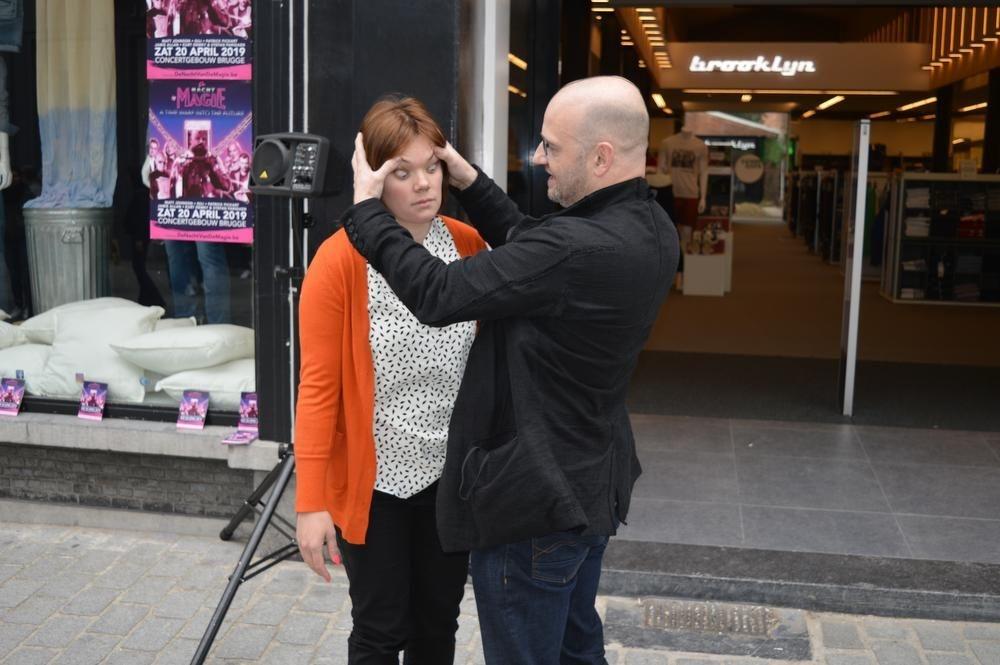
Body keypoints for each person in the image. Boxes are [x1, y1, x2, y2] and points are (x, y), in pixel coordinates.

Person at [343, 76, 679, 664]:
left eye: (551, 146)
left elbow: (441, 293)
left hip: (533, 507)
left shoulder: (574, 250)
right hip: (588, 489)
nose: (539, 156)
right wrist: (468, 180)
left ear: (601, 157)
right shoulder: (650, 228)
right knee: (576, 650)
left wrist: (367, 213)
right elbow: (534, 247)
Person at [294, 95, 488, 664]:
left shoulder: (468, 245)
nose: (424, 184)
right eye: (402, 172)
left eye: (432, 166)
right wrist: (311, 502)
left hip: (449, 481)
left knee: (437, 625)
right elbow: (319, 388)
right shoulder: (339, 260)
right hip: (374, 483)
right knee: (381, 627)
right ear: (374, 179)